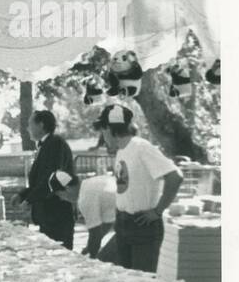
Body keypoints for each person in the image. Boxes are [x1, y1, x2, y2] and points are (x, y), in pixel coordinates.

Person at [95, 104, 183, 272]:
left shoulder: (141, 147)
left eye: (103, 129)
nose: (102, 135)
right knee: (108, 270)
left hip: (142, 226)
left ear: (108, 129)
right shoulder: (122, 150)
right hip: (123, 223)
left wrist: (157, 211)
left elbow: (175, 176)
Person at [17, 109, 79, 249]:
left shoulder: (55, 143)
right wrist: (22, 194)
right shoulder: (45, 145)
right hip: (47, 216)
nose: (27, 128)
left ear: (41, 125)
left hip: (57, 215)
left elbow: (50, 180)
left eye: (30, 124)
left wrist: (29, 200)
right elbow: (40, 180)